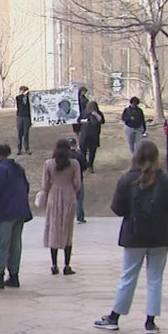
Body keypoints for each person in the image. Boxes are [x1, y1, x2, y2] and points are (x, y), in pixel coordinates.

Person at [94, 140, 168, 334]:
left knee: (128, 276)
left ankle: (115, 316)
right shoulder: (165, 181)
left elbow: (117, 208)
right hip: (159, 235)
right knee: (155, 278)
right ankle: (150, 321)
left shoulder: (127, 179)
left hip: (134, 234)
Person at [0, 143, 30, 289]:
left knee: (3, 243)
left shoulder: (1, 169)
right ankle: (14, 275)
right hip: (20, 210)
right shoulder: (18, 168)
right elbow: (27, 186)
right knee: (16, 243)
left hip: (6, 211)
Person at [42, 138, 82, 274]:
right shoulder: (74, 164)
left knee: (53, 228)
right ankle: (67, 265)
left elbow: (45, 185)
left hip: (54, 195)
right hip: (68, 195)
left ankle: (54, 265)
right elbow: (77, 184)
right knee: (67, 229)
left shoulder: (48, 164)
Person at [78, 100, 104, 172]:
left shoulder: (99, 113)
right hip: (85, 135)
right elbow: (78, 120)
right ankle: (84, 164)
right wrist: (84, 121)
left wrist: (96, 114)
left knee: (92, 152)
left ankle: (90, 165)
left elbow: (102, 121)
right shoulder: (84, 113)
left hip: (94, 135)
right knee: (83, 151)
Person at [68, 138, 89, 224]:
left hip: (67, 180)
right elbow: (85, 166)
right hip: (78, 179)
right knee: (79, 199)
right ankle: (80, 217)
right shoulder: (79, 155)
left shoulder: (64, 156)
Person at [15, 86, 32, 155]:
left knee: (26, 134)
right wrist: (24, 95)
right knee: (19, 133)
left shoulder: (29, 98)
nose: (23, 92)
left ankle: (27, 149)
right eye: (22, 90)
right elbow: (20, 100)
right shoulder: (18, 98)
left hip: (27, 117)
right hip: (20, 117)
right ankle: (19, 149)